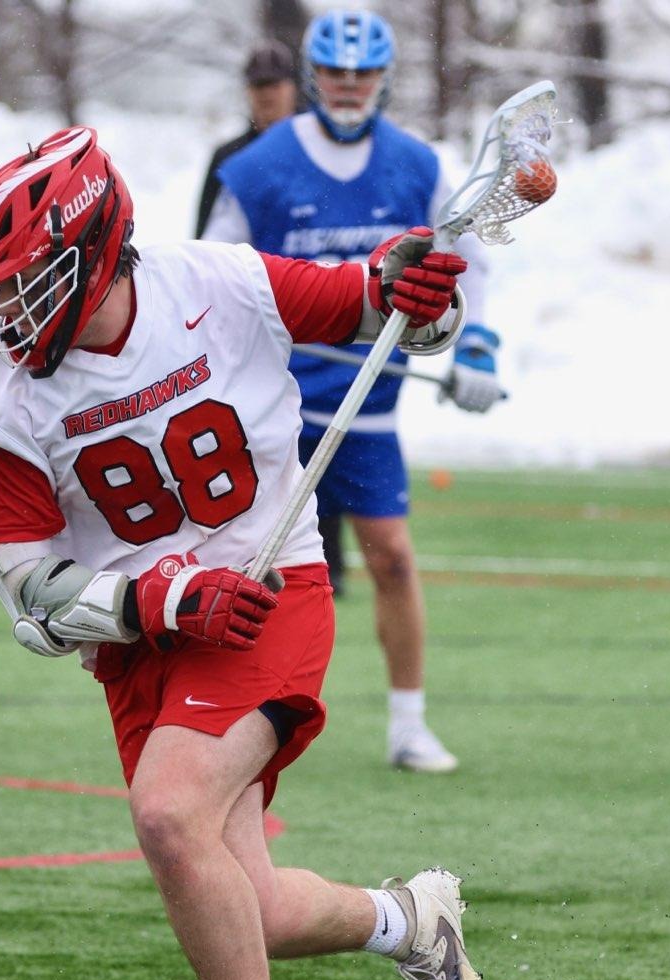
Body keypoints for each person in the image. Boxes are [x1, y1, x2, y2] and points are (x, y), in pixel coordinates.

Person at [0, 125, 488, 980]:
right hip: (145, 634)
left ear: (96, 245)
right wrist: (156, 601)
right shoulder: (6, 388)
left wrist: (424, 296)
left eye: (26, 279)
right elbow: (24, 583)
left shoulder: (219, 281)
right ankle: (409, 920)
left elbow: (378, 302)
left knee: (165, 811)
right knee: (258, 909)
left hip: (267, 589)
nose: (6, 308)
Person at [202, 9, 508, 775]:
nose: (349, 87)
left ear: (383, 77)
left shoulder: (415, 164)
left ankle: (408, 723)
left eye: (362, 73)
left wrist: (476, 345)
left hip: (368, 407)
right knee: (251, 571)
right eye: (336, 73)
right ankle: (230, 722)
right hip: (274, 410)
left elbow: (472, 263)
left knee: (394, 560)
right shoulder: (261, 165)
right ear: (314, 75)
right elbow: (210, 273)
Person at [194, 39, 299, 239]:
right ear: (247, 90)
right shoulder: (228, 157)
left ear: (291, 87)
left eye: (274, 84)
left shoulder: (313, 145)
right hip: (248, 265)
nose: (266, 93)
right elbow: (204, 239)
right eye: (259, 85)